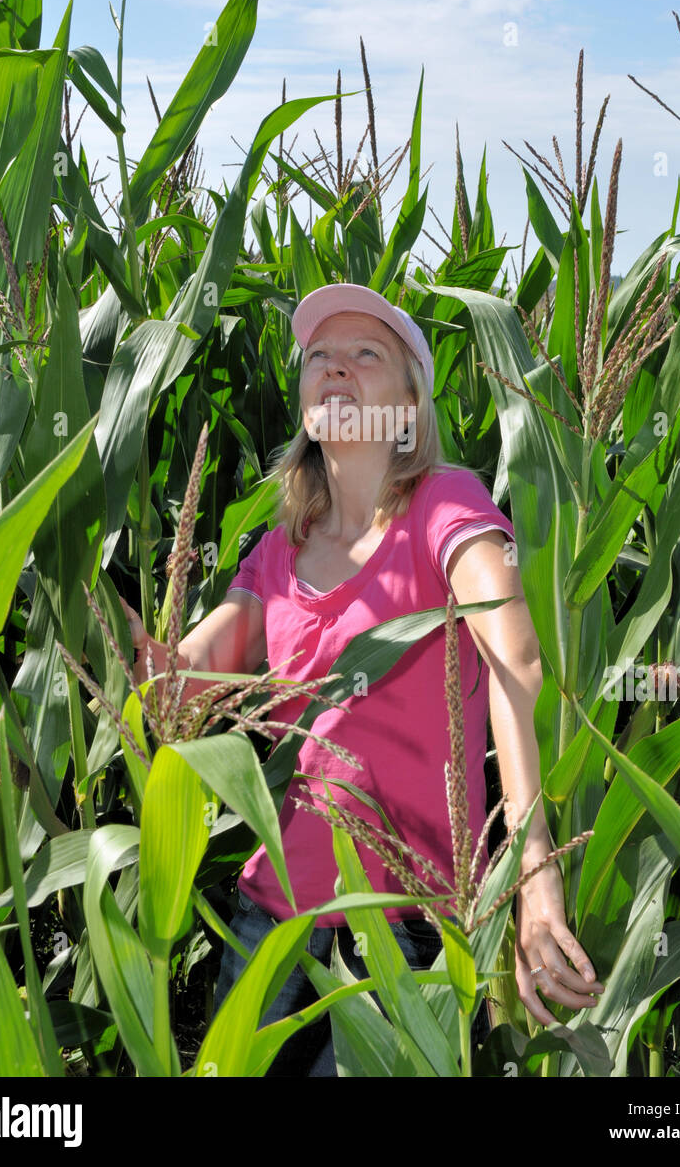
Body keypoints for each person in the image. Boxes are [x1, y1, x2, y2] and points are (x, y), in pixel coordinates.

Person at [121, 282, 604, 1076]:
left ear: (409, 406)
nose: (336, 368)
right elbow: (181, 683)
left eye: (365, 353)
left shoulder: (444, 504)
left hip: (405, 929)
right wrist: (113, 632)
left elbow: (513, 657)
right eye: (319, 358)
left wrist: (532, 871)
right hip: (269, 921)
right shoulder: (279, 550)